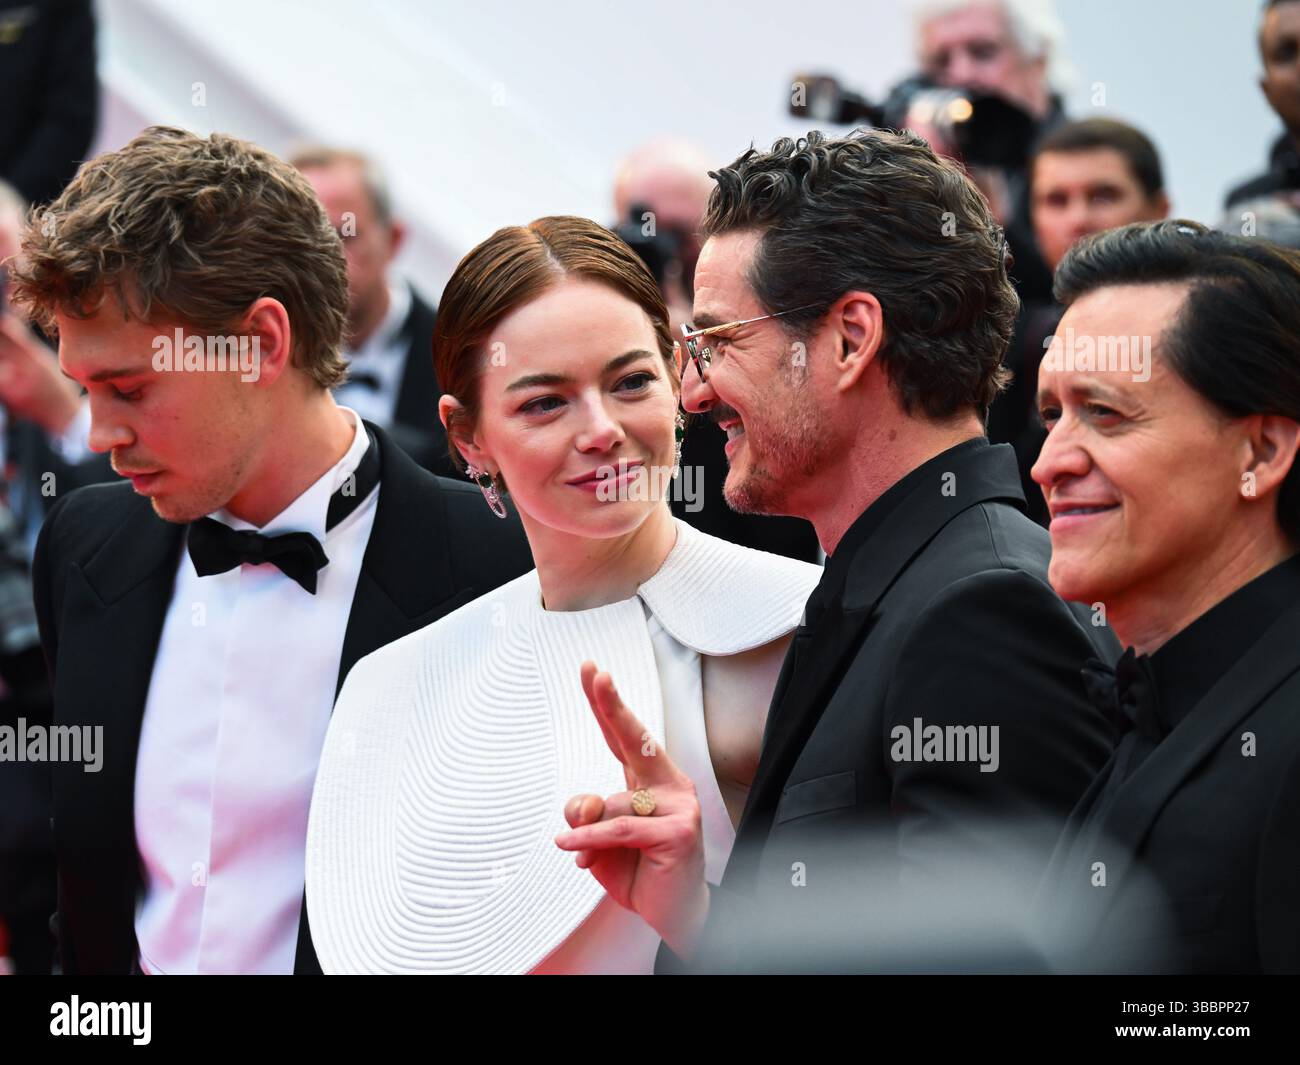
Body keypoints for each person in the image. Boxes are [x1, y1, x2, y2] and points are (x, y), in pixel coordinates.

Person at [553, 130, 1117, 974]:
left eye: (717, 342)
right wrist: (698, 909)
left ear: (851, 339)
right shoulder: (896, 582)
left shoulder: (983, 613)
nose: (693, 392)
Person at [12, 126, 533, 974]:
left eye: (131, 389)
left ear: (260, 341)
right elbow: (86, 902)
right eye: (83, 389)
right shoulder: (81, 546)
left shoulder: (498, 568)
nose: (100, 434)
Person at [304, 215, 822, 974]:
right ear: (468, 437)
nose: (603, 429)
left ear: (681, 378)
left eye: (632, 381)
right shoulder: (394, 679)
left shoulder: (801, 624)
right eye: (545, 402)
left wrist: (699, 910)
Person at [1032, 221, 1300, 973]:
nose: (1050, 462)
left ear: (1262, 451)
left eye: (1107, 413)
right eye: (1051, 416)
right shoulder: (1146, 700)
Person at [613, 139, 820, 564]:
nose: (658, 242)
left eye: (677, 234)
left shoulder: (774, 314)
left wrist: (697, 333)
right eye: (643, 227)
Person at [988, 117, 1169, 523]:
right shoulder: (1004, 343)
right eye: (1056, 200)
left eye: (1103, 196)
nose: (1079, 219)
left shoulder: (1208, 334)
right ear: (1031, 221)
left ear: (1160, 209)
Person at [291, 146, 455, 477]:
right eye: (300, 241)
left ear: (393, 240)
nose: (321, 261)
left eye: (343, 236)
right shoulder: (256, 359)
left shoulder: (464, 357)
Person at [910, 0, 1072, 303]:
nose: (961, 74)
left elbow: (1066, 295)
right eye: (942, 61)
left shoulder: (1093, 159)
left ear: (1037, 60)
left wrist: (992, 222)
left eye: (983, 52)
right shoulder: (931, 148)